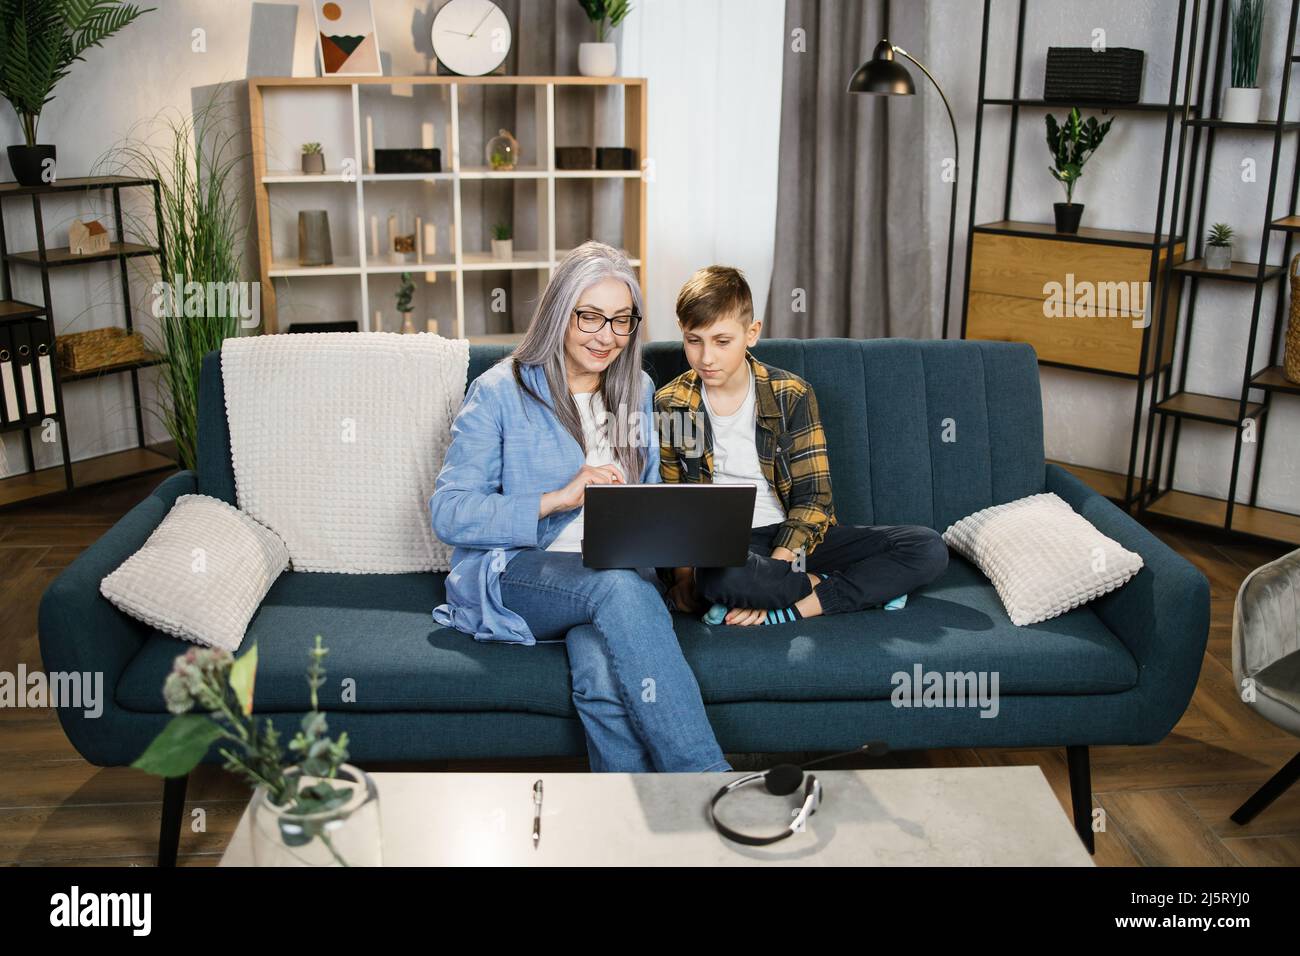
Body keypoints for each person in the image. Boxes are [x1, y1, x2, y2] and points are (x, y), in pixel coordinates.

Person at [429, 241, 730, 773]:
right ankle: (706, 778)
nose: (606, 336)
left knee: (601, 672)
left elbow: (650, 489)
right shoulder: (500, 392)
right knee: (615, 587)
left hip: (612, 581)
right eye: (590, 317)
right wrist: (559, 498)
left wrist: (679, 527)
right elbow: (450, 512)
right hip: (519, 572)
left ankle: (627, 830)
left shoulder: (634, 388)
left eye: (620, 321)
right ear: (558, 313)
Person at [656, 265, 950, 626]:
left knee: (926, 547)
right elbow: (674, 504)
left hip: (797, 541)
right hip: (728, 549)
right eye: (693, 340)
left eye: (722, 341)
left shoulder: (790, 394)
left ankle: (798, 604)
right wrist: (685, 581)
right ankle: (850, 589)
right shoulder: (671, 403)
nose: (706, 358)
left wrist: (779, 569)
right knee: (718, 577)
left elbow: (814, 499)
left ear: (751, 333)